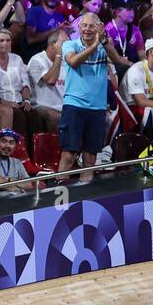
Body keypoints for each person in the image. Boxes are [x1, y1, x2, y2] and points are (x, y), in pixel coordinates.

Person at [59, 13, 121, 181]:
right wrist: (95, 45)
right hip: (74, 105)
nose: (87, 29)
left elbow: (117, 60)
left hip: (97, 108)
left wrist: (105, 42)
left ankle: (84, 193)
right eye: (84, 25)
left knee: (90, 157)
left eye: (91, 26)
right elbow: (73, 61)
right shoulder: (69, 44)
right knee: (68, 154)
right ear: (78, 28)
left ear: (99, 27)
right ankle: (59, 196)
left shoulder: (105, 46)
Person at [0, 127, 32, 194]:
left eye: (11, 143)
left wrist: (10, 180)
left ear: (15, 146)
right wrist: (18, 187)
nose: (7, 145)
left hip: (17, 198)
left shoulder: (17, 162)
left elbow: (28, 185)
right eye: (4, 141)